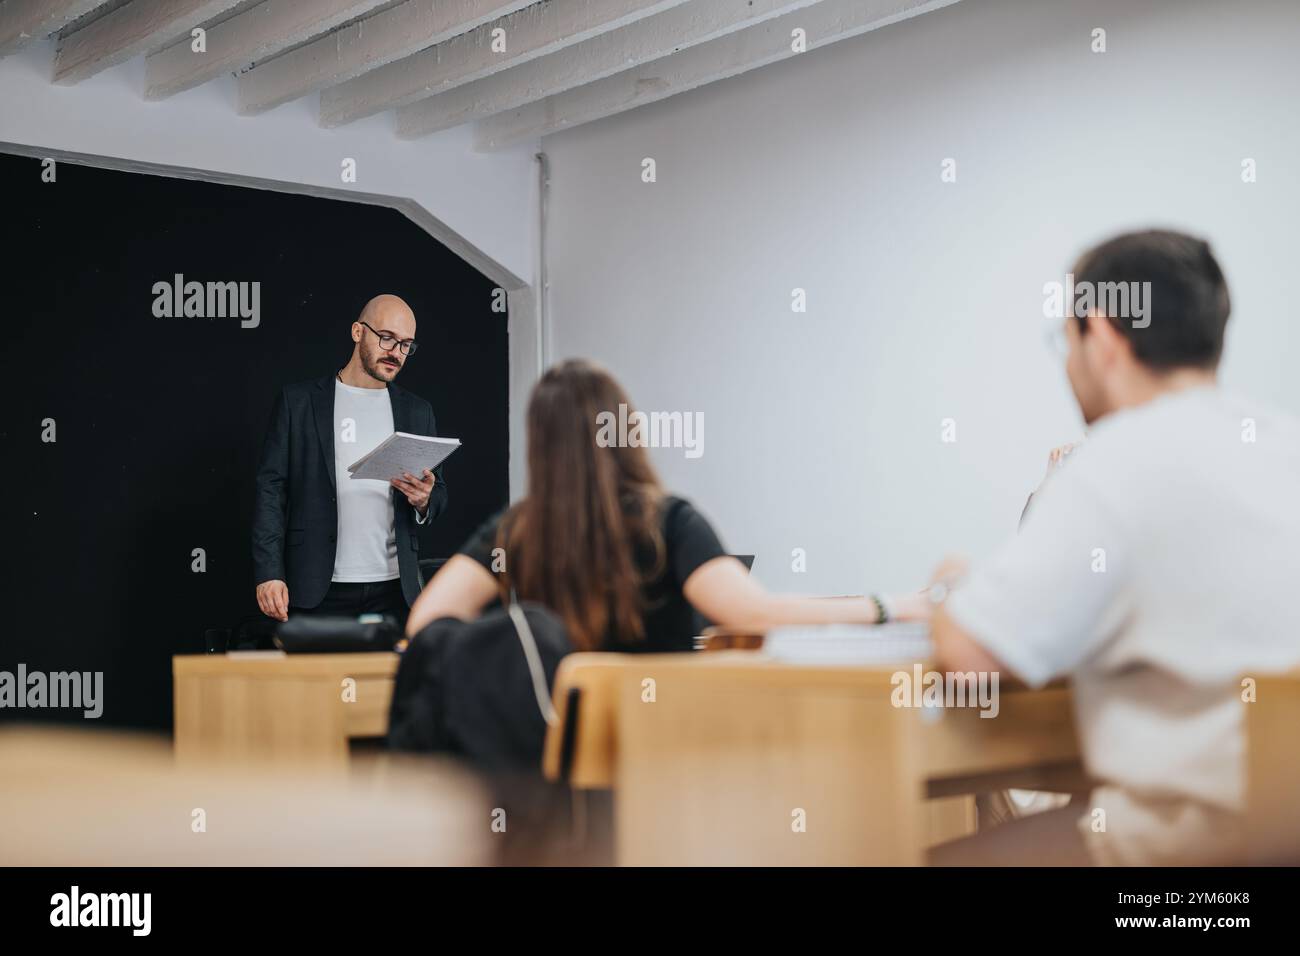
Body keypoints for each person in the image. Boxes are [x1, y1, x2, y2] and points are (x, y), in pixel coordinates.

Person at [927, 229, 1300, 865]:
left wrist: (949, 586)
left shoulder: (1115, 456)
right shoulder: (1282, 442)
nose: (1067, 362)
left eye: (1064, 340)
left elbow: (970, 655)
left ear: (1099, 336)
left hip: (1190, 862)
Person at [406, 359, 928, 647]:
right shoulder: (668, 521)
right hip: (660, 759)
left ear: (542, 446)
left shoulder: (515, 530)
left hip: (552, 760)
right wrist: (893, 606)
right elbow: (754, 614)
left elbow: (426, 623)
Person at [252, 294, 448, 626]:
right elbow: (271, 492)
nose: (395, 353)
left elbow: (438, 493)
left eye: (405, 345)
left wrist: (425, 500)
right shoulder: (298, 403)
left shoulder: (417, 411)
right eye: (387, 338)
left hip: (394, 590)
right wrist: (269, 573)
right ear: (358, 332)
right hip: (316, 588)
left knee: (389, 679)